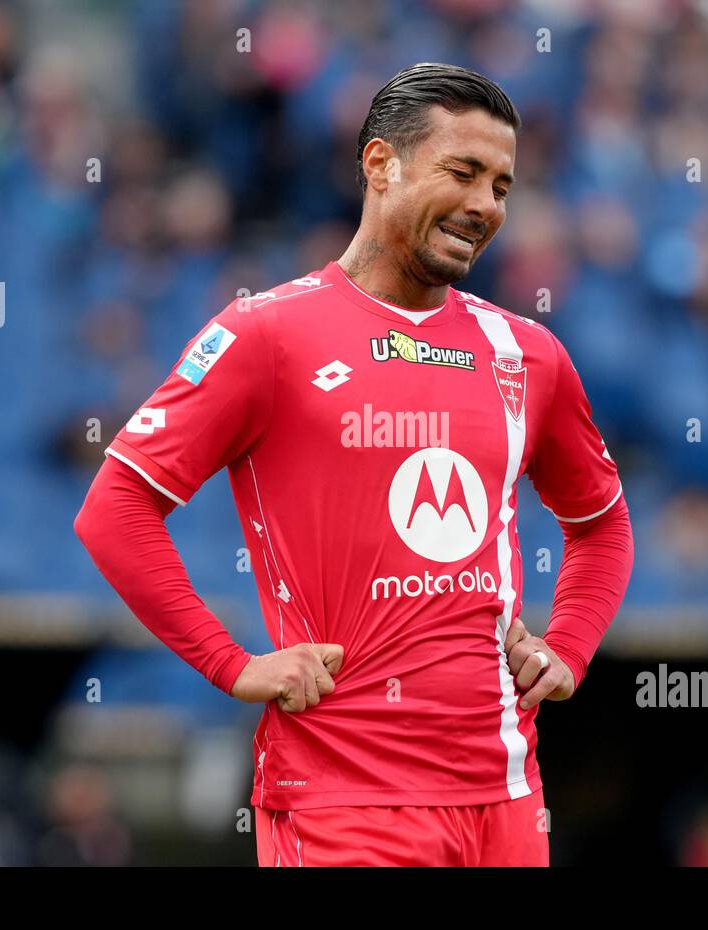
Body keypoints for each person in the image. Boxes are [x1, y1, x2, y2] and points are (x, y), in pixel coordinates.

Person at [74, 63, 634, 866]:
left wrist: (569, 648)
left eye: (503, 186)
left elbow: (602, 525)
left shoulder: (528, 353)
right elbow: (115, 509)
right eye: (463, 172)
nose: (485, 205)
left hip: (506, 800)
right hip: (344, 802)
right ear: (381, 165)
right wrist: (231, 664)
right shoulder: (265, 335)